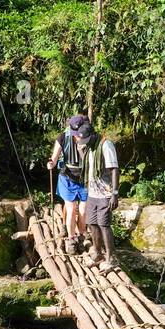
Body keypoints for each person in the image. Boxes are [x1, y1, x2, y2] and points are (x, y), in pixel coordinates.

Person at [46, 116, 92, 253]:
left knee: (83, 211)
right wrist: (51, 163)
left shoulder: (89, 137)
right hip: (67, 177)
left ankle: (82, 235)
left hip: (84, 179)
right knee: (71, 209)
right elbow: (54, 157)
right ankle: (71, 238)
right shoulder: (63, 137)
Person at [80, 126, 120, 271]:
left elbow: (114, 169)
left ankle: (111, 258)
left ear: (93, 135)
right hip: (92, 193)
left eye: (86, 139)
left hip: (105, 193)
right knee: (92, 223)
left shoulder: (105, 145)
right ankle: (97, 253)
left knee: (104, 224)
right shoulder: (90, 147)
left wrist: (115, 193)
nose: (84, 142)